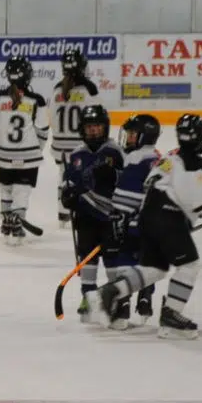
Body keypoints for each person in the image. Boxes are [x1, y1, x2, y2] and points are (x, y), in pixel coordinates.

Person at [85, 114, 202, 339]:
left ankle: (108, 293)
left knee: (154, 269)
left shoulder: (168, 158)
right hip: (169, 218)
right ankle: (171, 317)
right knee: (189, 265)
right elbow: (196, 201)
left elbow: (156, 186)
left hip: (148, 217)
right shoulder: (196, 162)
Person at [59, 105, 124, 324]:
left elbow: (126, 182)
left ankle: (116, 298)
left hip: (110, 217)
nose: (93, 131)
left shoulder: (115, 152)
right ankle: (87, 296)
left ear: (105, 128)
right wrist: (67, 195)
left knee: (113, 260)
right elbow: (69, 182)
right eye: (89, 128)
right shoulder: (77, 153)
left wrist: (114, 174)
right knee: (88, 259)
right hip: (85, 216)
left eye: (97, 127)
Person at [0, 56, 49, 245]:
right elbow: (42, 131)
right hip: (29, 156)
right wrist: (37, 149)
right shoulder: (37, 101)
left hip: (4, 155)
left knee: (6, 190)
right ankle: (17, 220)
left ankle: (6, 220)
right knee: (22, 192)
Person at [106, 114, 162, 328]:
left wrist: (118, 215)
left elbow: (126, 195)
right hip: (155, 226)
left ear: (143, 137)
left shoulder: (136, 158)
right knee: (146, 262)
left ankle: (122, 307)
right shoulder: (158, 157)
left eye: (131, 135)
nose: (127, 139)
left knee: (124, 259)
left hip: (134, 224)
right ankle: (146, 297)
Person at [50, 50, 101, 228]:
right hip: (80, 143)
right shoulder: (89, 88)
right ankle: (82, 212)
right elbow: (97, 117)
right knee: (85, 177)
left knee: (63, 176)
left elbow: (53, 118)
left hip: (59, 144)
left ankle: (63, 214)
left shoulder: (57, 89)